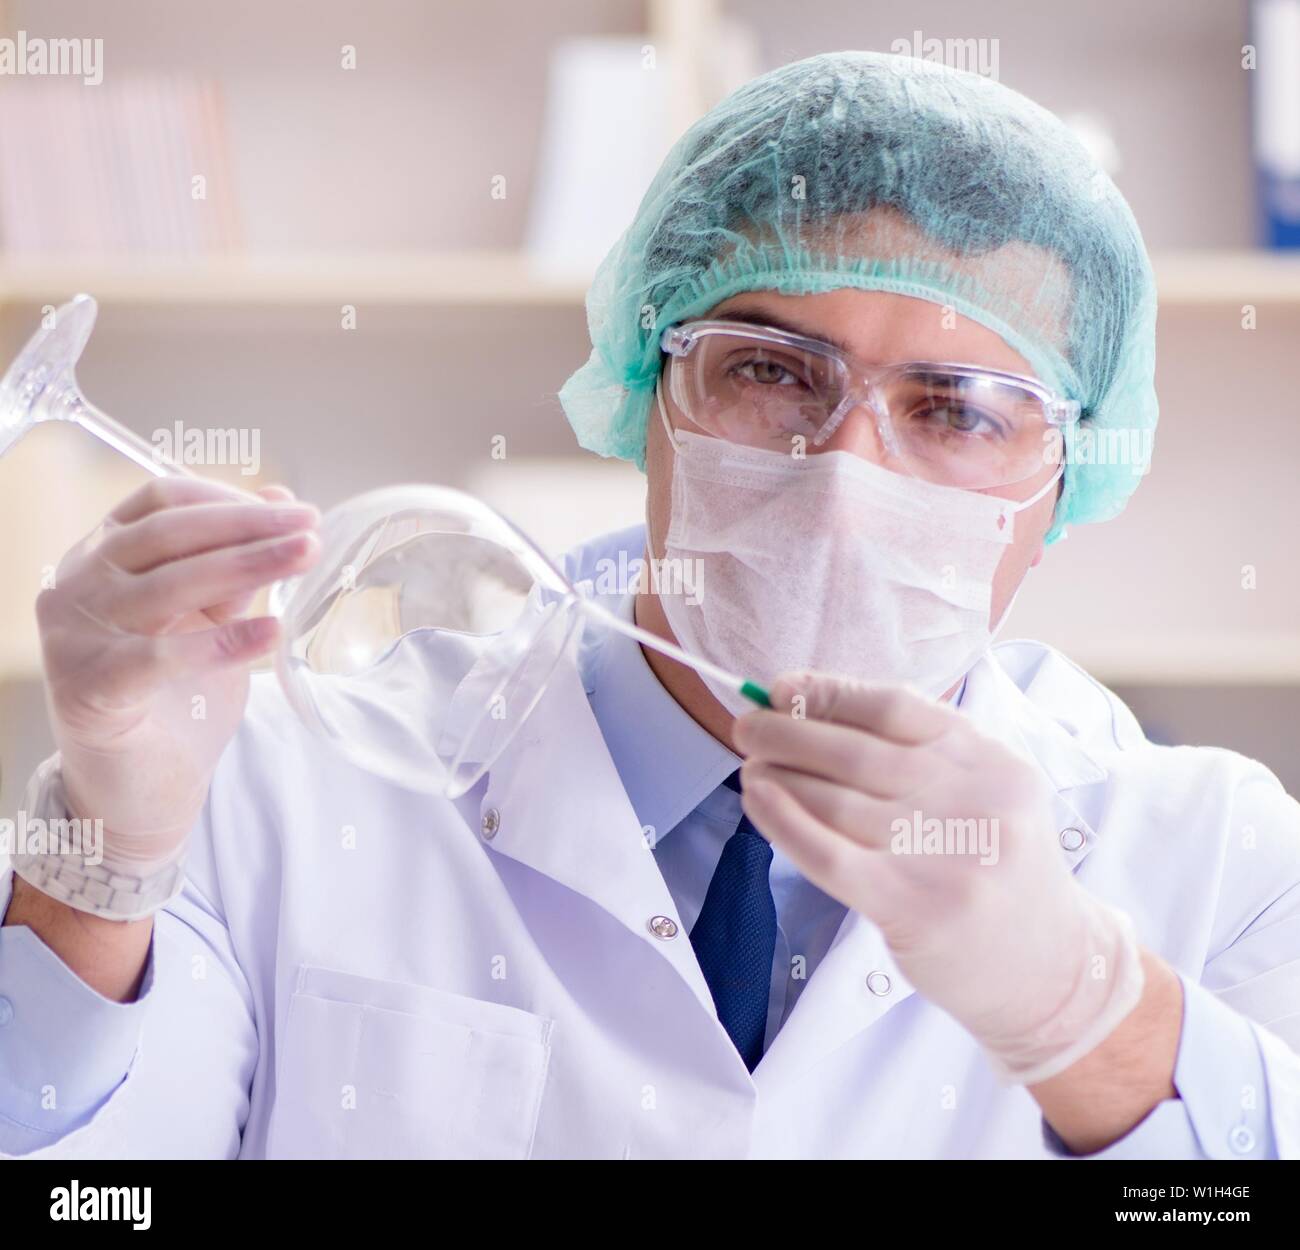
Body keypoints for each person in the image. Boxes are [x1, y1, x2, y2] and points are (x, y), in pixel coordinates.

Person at [1, 50, 1297, 1160]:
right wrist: (101, 857)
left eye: (954, 408)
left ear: (1070, 477)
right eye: (771, 372)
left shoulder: (1215, 858)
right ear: (645, 385)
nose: (846, 474)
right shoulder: (282, 793)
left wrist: (1090, 1014)